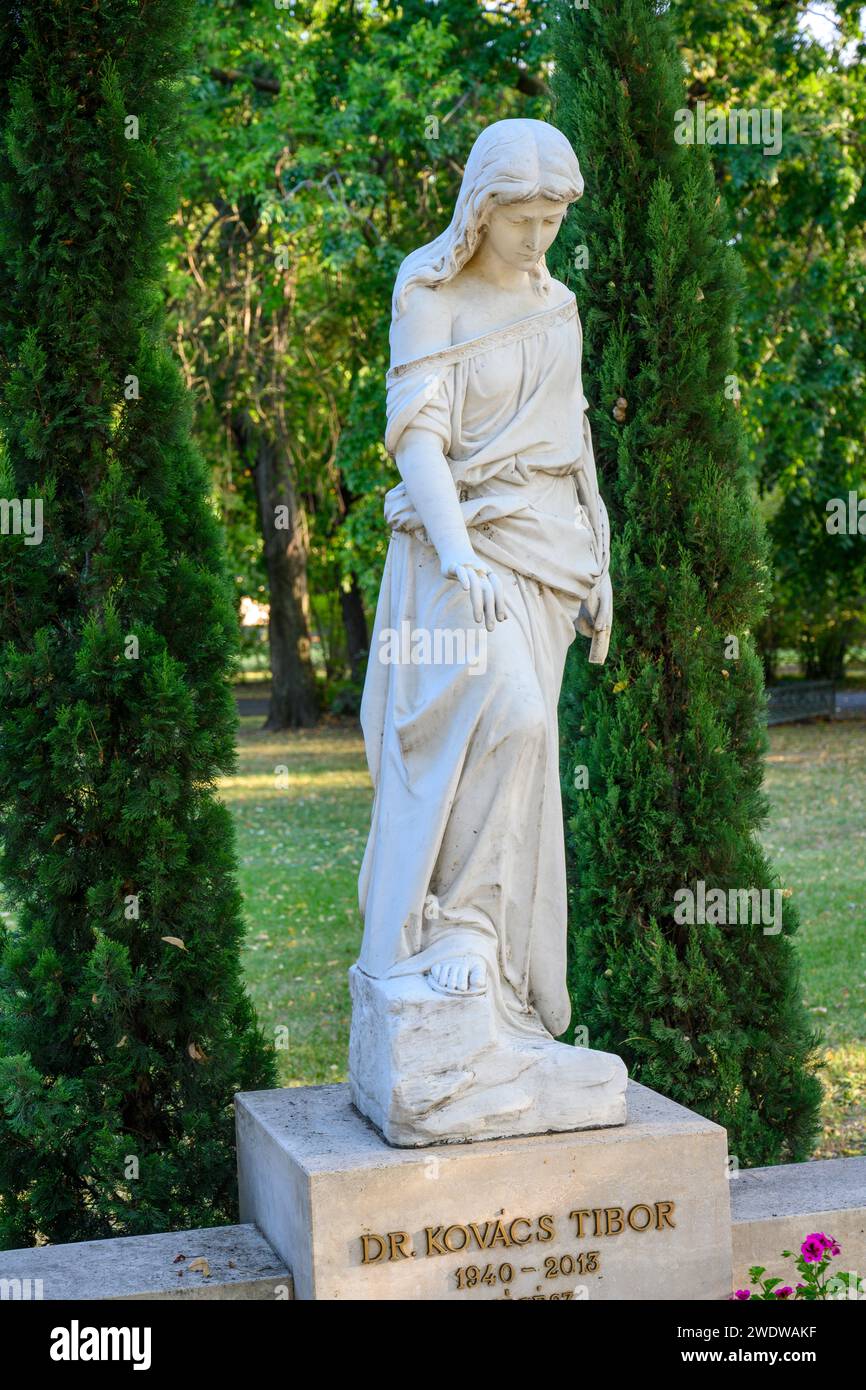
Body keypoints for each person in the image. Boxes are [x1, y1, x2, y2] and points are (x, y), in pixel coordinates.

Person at [356, 118, 613, 1051]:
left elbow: (573, 438)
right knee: (514, 718)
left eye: (552, 221)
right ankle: (457, 924)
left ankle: (499, 976)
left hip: (550, 551)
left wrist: (601, 558)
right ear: (481, 209)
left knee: (526, 745)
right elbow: (418, 436)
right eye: (522, 222)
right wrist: (460, 553)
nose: (539, 240)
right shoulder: (432, 295)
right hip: (459, 546)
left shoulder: (559, 303)